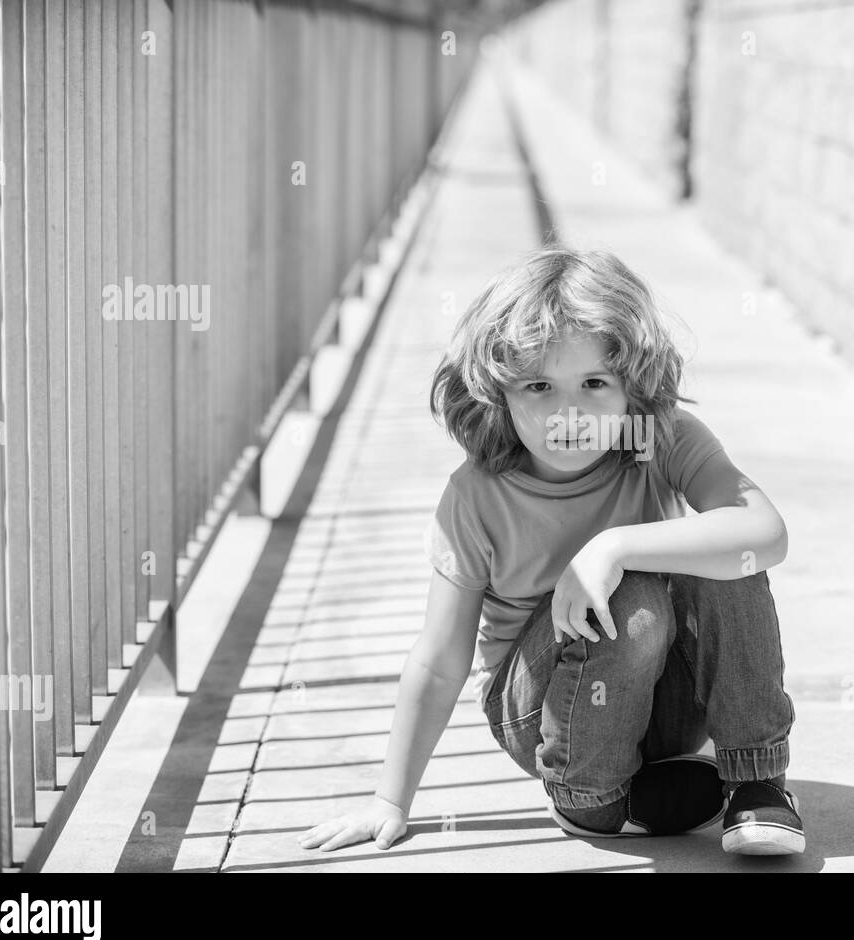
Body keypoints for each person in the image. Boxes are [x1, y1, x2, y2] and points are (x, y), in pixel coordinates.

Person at [298, 247, 803, 858]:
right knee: (635, 595)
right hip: (540, 712)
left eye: (595, 383)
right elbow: (438, 659)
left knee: (727, 552)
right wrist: (390, 800)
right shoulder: (477, 496)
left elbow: (765, 534)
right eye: (539, 385)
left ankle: (754, 783)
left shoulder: (661, 439)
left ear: (632, 387)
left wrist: (613, 544)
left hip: (660, 694)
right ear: (497, 394)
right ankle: (588, 796)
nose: (571, 412)